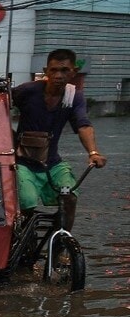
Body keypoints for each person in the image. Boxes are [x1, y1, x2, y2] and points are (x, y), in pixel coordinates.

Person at [12, 48, 107, 231]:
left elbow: (83, 125)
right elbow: (0, 105)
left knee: (70, 196)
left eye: (64, 70)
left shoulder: (74, 97)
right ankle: (22, 238)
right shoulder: (28, 90)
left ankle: (62, 241)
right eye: (54, 70)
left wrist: (93, 152)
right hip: (24, 162)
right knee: (27, 202)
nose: (58, 75)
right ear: (46, 71)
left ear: (74, 72)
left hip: (52, 163)